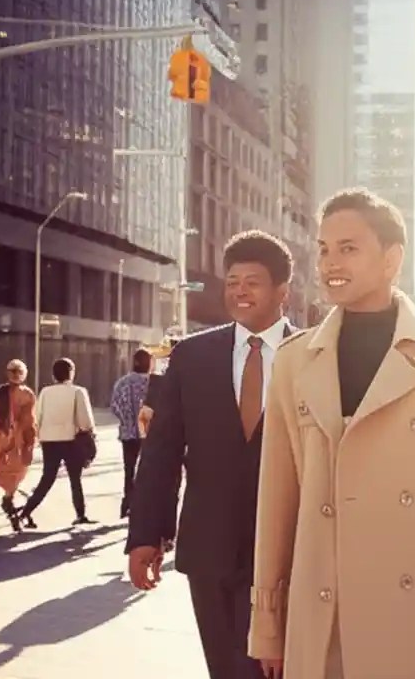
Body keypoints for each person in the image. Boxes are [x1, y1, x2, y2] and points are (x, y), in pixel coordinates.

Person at [248, 188, 415, 679]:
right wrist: (268, 624)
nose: (330, 262)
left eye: (348, 248)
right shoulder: (294, 361)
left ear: (392, 259)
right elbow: (276, 505)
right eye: (324, 249)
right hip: (325, 617)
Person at [127, 230, 296, 679]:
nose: (240, 291)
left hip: (290, 553)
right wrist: (147, 534)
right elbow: (162, 451)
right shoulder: (192, 355)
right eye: (233, 282)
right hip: (210, 549)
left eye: (253, 282)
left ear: (283, 291)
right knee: (226, 670)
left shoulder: (312, 355)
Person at [22, 357, 96, 527]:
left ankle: (26, 512)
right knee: (75, 479)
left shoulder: (45, 392)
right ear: (71, 373)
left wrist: (39, 436)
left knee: (47, 478)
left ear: (53, 375)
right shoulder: (78, 391)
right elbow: (85, 421)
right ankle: (80, 514)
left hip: (49, 440)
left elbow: (37, 416)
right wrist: (90, 435)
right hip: (71, 440)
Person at [0, 359, 37, 531]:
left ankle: (10, 500)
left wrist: (29, 441)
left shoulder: (28, 394)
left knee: (18, 472)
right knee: (6, 471)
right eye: (13, 371)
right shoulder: (2, 392)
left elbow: (30, 420)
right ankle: (9, 501)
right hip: (4, 438)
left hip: (18, 439)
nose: (16, 375)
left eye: (19, 371)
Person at [111, 348, 152, 519]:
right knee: (149, 471)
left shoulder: (122, 383)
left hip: (128, 434)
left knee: (129, 470)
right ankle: (144, 505)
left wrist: (126, 420)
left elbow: (115, 405)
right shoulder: (154, 383)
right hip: (150, 435)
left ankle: (127, 503)